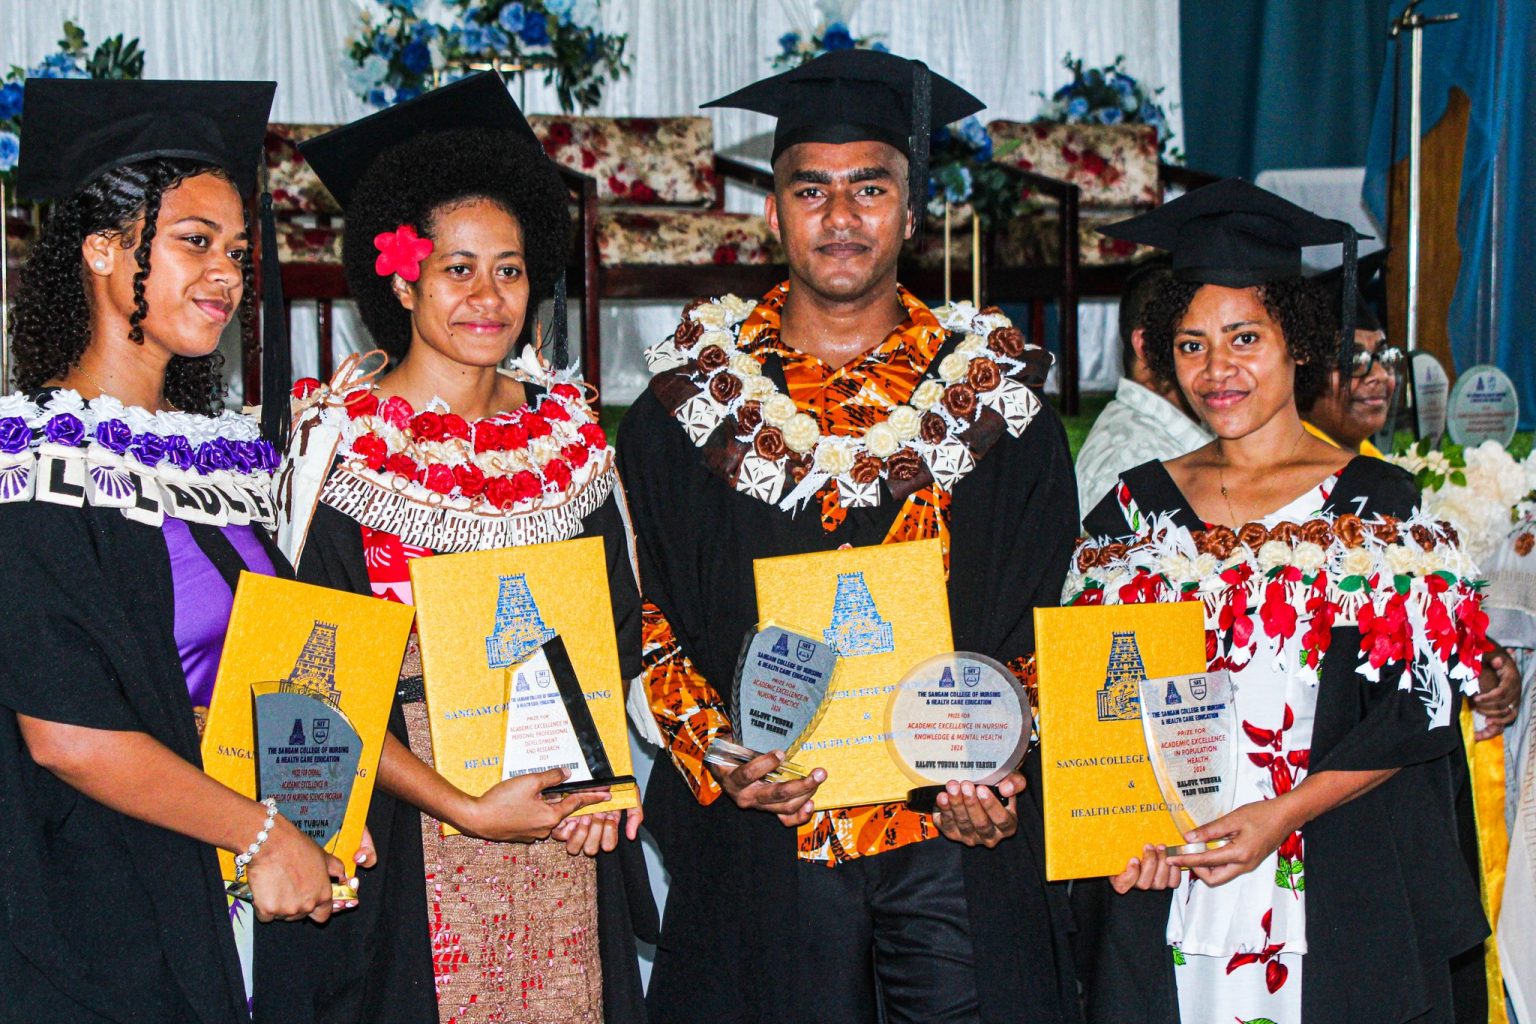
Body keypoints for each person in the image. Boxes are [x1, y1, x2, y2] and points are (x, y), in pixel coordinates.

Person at [620, 50, 1081, 1024]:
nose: (841, 217)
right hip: (766, 836)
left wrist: (1004, 753)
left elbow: (1053, 611)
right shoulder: (683, 408)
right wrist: (715, 751)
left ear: (911, 212)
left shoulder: (1000, 404)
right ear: (775, 212)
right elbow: (647, 611)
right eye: (811, 189)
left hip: (951, 844)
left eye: (870, 187)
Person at [265, 73, 653, 1024]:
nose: (489, 296)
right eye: (459, 268)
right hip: (404, 823)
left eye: (511, 269)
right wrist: (463, 805)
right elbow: (310, 688)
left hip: (562, 817)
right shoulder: (339, 450)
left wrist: (605, 782)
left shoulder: (573, 443)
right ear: (402, 279)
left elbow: (613, 638)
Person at [1076, 178, 1488, 1023]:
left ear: (1298, 341)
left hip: (1330, 869)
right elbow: (1097, 700)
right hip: (1180, 884)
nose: (1216, 370)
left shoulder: (1377, 501)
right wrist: (1126, 831)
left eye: (1243, 338)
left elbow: (1418, 712)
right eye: (1191, 345)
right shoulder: (1130, 508)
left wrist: (1282, 816)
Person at [0, 79, 358, 1024]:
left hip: (228, 884)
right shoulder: (33, 466)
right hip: (101, 911)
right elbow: (67, 735)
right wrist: (260, 832)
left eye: (237, 251)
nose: (227, 274)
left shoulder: (220, 456)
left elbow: (257, 665)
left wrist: (320, 798)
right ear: (103, 249)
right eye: (194, 242)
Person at [1075, 258, 1212, 516]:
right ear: (1147, 346)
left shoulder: (1159, 438)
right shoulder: (1131, 457)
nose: (1220, 364)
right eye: (1194, 344)